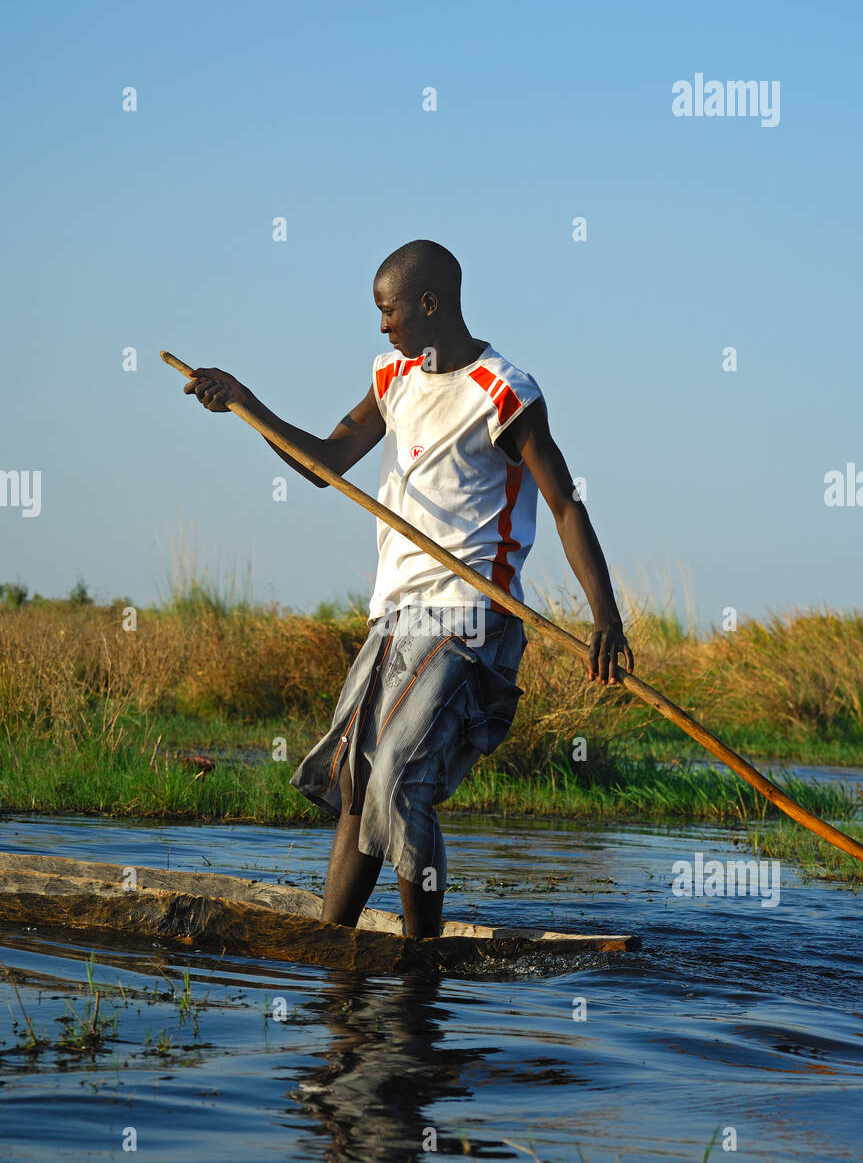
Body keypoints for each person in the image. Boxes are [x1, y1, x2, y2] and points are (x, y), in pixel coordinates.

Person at [185, 240, 633, 938]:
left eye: (388, 311)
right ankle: (334, 952)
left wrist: (605, 618)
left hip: (470, 619)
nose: (383, 326)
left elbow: (565, 505)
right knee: (358, 785)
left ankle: (421, 967)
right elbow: (326, 463)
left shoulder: (504, 391)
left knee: (400, 778)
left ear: (429, 304)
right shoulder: (393, 374)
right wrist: (247, 403)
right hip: (394, 614)